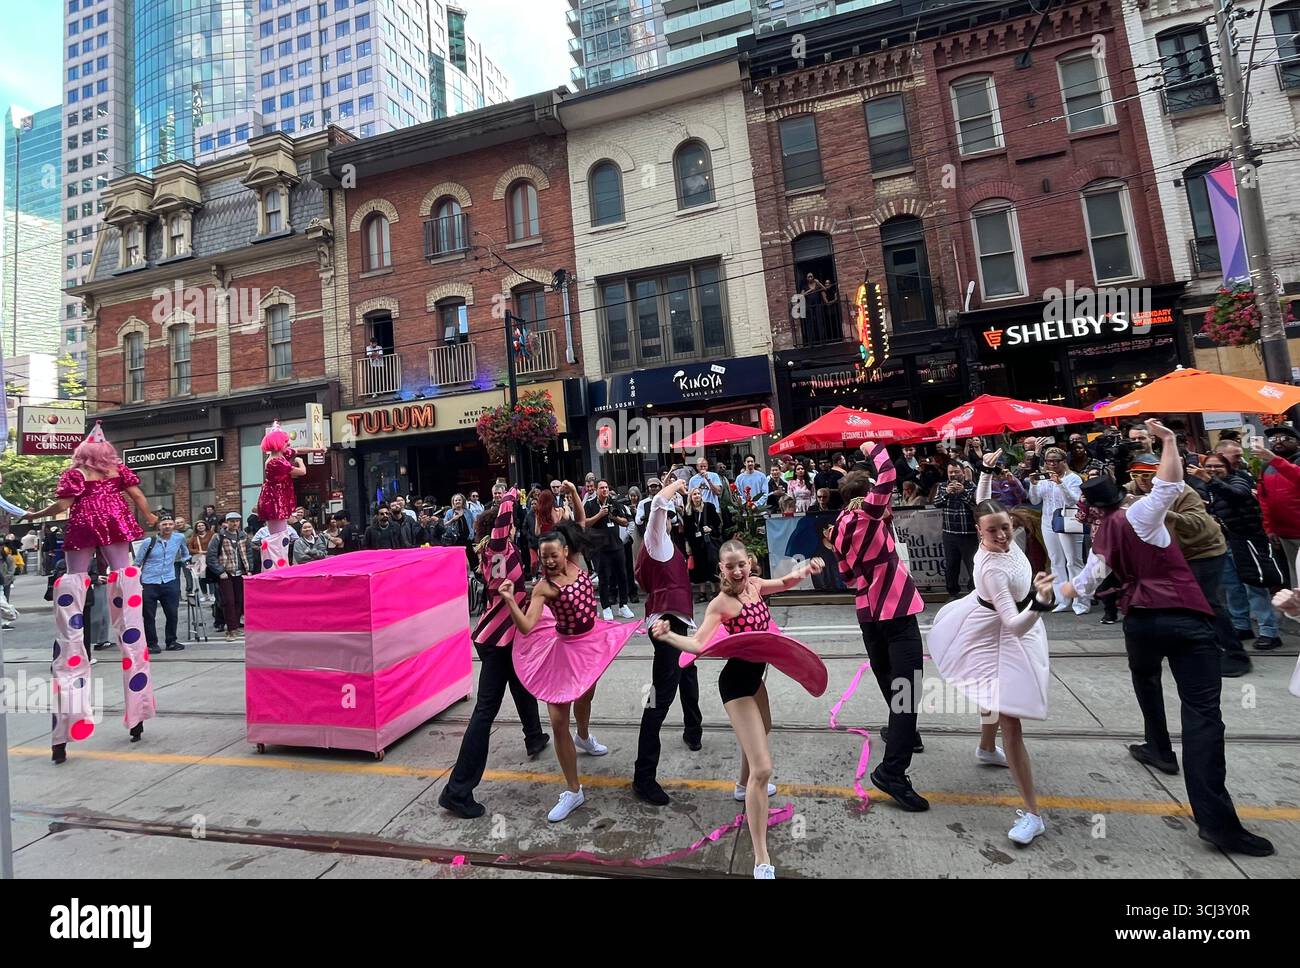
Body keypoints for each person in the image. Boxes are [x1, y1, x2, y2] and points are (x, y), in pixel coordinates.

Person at [1064, 419, 1273, 857]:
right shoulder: (1138, 513)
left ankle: (1158, 747)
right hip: (1182, 617)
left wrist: (1047, 591)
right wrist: (1171, 441)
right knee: (1201, 715)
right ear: (1121, 495)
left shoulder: (1103, 533)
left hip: (1139, 622)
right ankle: (1217, 823)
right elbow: (1169, 483)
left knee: (1146, 681)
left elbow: (1082, 585)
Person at [651, 540, 826, 878]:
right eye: (729, 566)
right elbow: (699, 644)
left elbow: (785, 583)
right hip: (735, 686)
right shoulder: (721, 604)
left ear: (750, 563)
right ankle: (762, 859)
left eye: (741, 564)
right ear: (721, 570)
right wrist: (670, 636)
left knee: (765, 729)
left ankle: (740, 785)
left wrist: (805, 570)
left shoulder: (757, 586)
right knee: (764, 769)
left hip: (755, 680)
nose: (737, 571)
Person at [930, 448, 1057, 845]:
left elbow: (983, 500)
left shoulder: (998, 531)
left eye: (1005, 527)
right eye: (992, 531)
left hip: (1007, 630)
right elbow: (1015, 625)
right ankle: (1033, 814)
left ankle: (986, 748)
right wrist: (1040, 601)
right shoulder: (991, 569)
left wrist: (984, 468)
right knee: (1012, 720)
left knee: (993, 696)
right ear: (979, 532)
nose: (1002, 536)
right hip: (997, 633)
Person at [19, 423, 158, 761]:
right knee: (126, 584)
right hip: (115, 523)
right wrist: (149, 515)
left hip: (83, 525)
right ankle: (137, 712)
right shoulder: (118, 469)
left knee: (74, 580)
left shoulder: (76, 473)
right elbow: (138, 496)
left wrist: (35, 514)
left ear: (83, 453)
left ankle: (65, 727)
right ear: (107, 453)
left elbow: (62, 506)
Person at [497, 527, 639, 822]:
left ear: (565, 551)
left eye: (553, 554)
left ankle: (584, 737)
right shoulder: (544, 588)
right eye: (544, 556)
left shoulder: (577, 560)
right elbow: (526, 626)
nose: (549, 560)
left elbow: (583, 521)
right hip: (564, 651)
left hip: (593, 641)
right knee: (559, 719)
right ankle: (574, 791)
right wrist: (510, 600)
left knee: (586, 695)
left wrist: (574, 493)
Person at [438, 489, 550, 819]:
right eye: (510, 523)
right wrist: (510, 495)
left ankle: (534, 736)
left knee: (521, 684)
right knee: (485, 711)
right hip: (497, 639)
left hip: (504, 636)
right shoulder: (499, 546)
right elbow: (503, 521)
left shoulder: (500, 551)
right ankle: (457, 791)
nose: (514, 526)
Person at [833, 442, 928, 811]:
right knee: (908, 690)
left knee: (892, 682)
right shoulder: (867, 514)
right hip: (896, 610)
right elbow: (889, 473)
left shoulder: (839, 526)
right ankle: (892, 770)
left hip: (868, 615)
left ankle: (906, 735)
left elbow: (846, 577)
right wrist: (871, 443)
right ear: (864, 494)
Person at [1125, 452, 1250, 677]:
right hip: (1173, 554)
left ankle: (1235, 654)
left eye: (1148, 474)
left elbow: (1197, 523)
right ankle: (1200, 646)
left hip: (1204, 551)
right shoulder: (1132, 490)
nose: (1142, 479)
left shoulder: (1182, 491)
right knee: (1184, 602)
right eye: (1137, 474)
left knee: (1207, 601)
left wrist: (1160, 511)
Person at [632, 476, 704, 805]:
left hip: (676, 620)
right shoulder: (656, 541)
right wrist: (677, 483)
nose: (672, 517)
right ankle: (643, 778)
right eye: (669, 516)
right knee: (659, 699)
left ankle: (693, 731)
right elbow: (660, 503)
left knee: (689, 674)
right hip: (664, 623)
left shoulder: (668, 546)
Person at [1193, 452, 1285, 652]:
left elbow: (1237, 495)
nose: (1212, 470)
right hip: (1225, 544)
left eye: (1217, 466)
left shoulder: (1238, 479)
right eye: (1208, 466)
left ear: (1227, 467)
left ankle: (1269, 632)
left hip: (1248, 541)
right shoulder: (1206, 486)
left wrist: (1210, 480)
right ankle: (1242, 626)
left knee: (1255, 586)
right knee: (1232, 587)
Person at [1027, 446, 1089, 614]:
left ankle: (1081, 601)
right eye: (1049, 461)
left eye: (1056, 461)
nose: (1052, 464)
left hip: (1069, 521)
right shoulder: (1043, 479)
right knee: (1056, 562)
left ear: (1064, 461)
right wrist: (1033, 485)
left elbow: (1074, 501)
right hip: (1048, 521)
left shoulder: (1073, 478)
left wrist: (1060, 484)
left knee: (1073, 561)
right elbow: (1034, 501)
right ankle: (1062, 600)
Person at [135, 514, 191, 654]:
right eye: (164, 524)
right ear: (159, 526)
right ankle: (152, 644)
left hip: (169, 580)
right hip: (149, 582)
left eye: (170, 524)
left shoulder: (179, 538)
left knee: (172, 613)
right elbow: (137, 562)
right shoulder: (149, 541)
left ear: (174, 526)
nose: (167, 527)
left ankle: (171, 641)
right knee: (149, 615)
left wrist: (188, 562)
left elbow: (185, 553)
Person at [256, 423, 307, 571]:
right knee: (279, 535)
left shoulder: (280, 457)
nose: (288, 444)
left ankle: (280, 564)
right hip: (275, 500)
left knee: (281, 534)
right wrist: (301, 462)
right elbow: (301, 472)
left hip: (277, 498)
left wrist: (316, 449)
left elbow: (296, 450)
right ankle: (276, 566)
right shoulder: (276, 462)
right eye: (285, 442)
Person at [582, 480, 633, 621]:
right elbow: (584, 523)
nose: (604, 490)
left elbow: (625, 521)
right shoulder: (590, 504)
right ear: (597, 490)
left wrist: (613, 517)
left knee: (622, 576)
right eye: (601, 488)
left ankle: (623, 605)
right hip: (600, 548)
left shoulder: (614, 503)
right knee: (604, 578)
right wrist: (599, 515)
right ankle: (606, 607)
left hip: (616, 546)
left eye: (606, 487)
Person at [1255, 426, 1300, 583]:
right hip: (1284, 533)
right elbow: (1264, 499)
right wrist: (1269, 529)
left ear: (1298, 444)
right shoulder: (1267, 466)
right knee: (1294, 574)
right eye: (1274, 440)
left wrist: (1275, 460)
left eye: (1285, 439)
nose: (1278, 443)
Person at [208, 512, 253, 640]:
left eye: (237, 521)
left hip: (240, 572)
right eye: (232, 521)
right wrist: (220, 571)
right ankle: (230, 629)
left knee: (239, 600)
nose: (235, 523)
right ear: (227, 522)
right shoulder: (218, 537)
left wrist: (249, 569)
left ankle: (236, 626)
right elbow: (211, 557)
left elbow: (248, 553)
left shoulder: (243, 536)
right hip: (226, 573)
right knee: (228, 601)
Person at [938, 463, 978, 600]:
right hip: (949, 533)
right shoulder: (942, 486)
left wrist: (963, 493)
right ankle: (952, 593)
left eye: (956, 472)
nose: (953, 475)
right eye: (950, 472)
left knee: (972, 564)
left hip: (968, 533)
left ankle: (974, 592)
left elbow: (975, 505)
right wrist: (947, 493)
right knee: (951, 565)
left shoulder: (971, 486)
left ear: (963, 472)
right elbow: (937, 503)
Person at [682, 487, 722, 604]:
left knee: (712, 564)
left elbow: (718, 523)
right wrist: (687, 544)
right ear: (691, 497)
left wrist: (711, 528)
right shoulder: (688, 511)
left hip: (709, 541)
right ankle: (702, 593)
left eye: (698, 494)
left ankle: (716, 591)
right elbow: (687, 530)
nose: (697, 496)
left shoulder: (709, 507)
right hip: (695, 543)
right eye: (694, 494)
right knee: (699, 568)